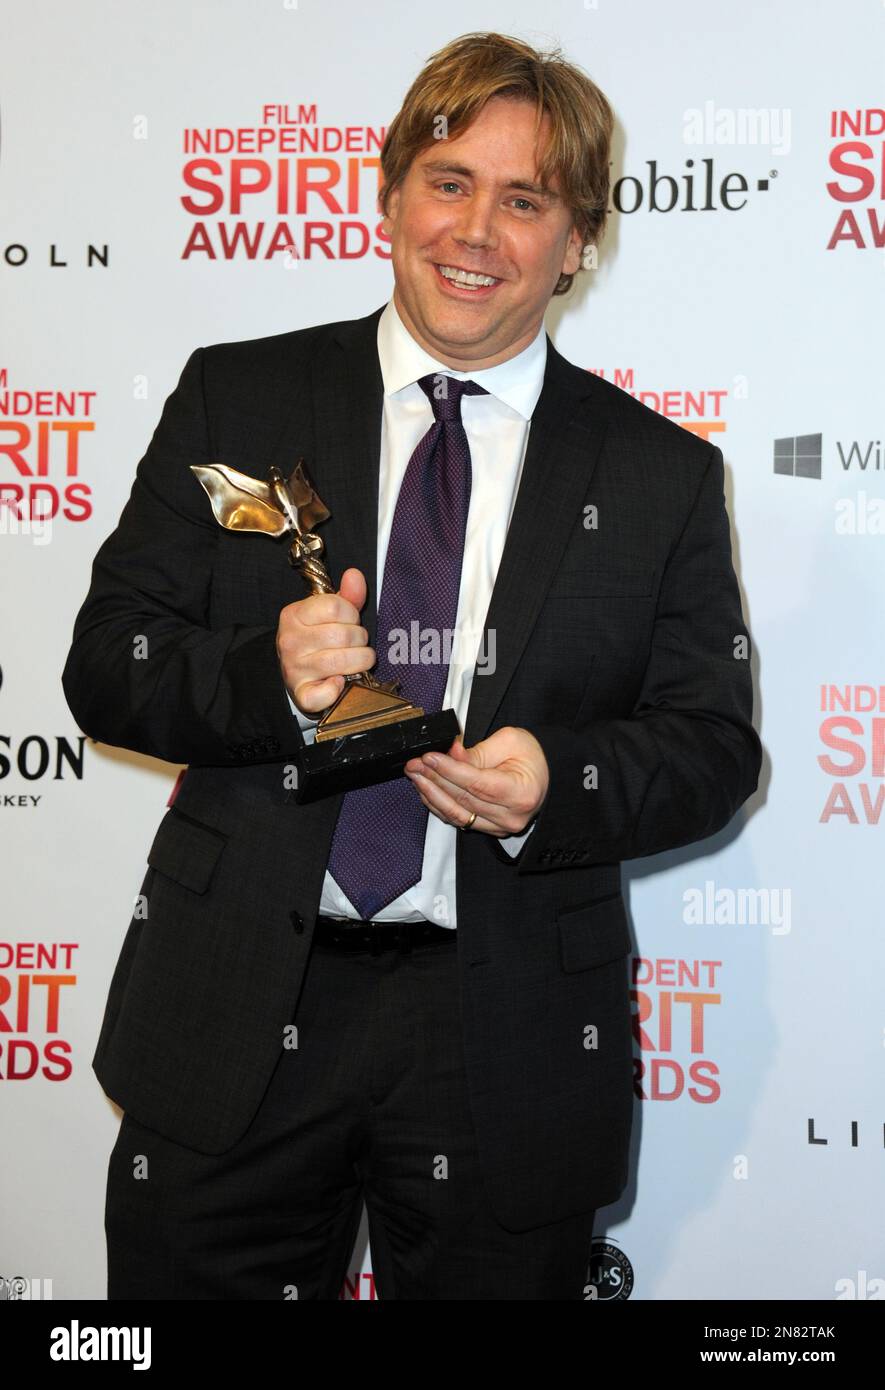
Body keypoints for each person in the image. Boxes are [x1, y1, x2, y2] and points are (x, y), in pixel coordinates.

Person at [61, 31, 762, 1300]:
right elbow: (109, 664)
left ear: (578, 241)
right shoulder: (237, 398)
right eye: (449, 182)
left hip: (505, 1030)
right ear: (389, 195)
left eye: (526, 199)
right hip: (235, 1007)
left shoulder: (658, 475)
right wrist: (266, 679)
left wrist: (558, 780)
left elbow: (714, 748)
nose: (476, 230)